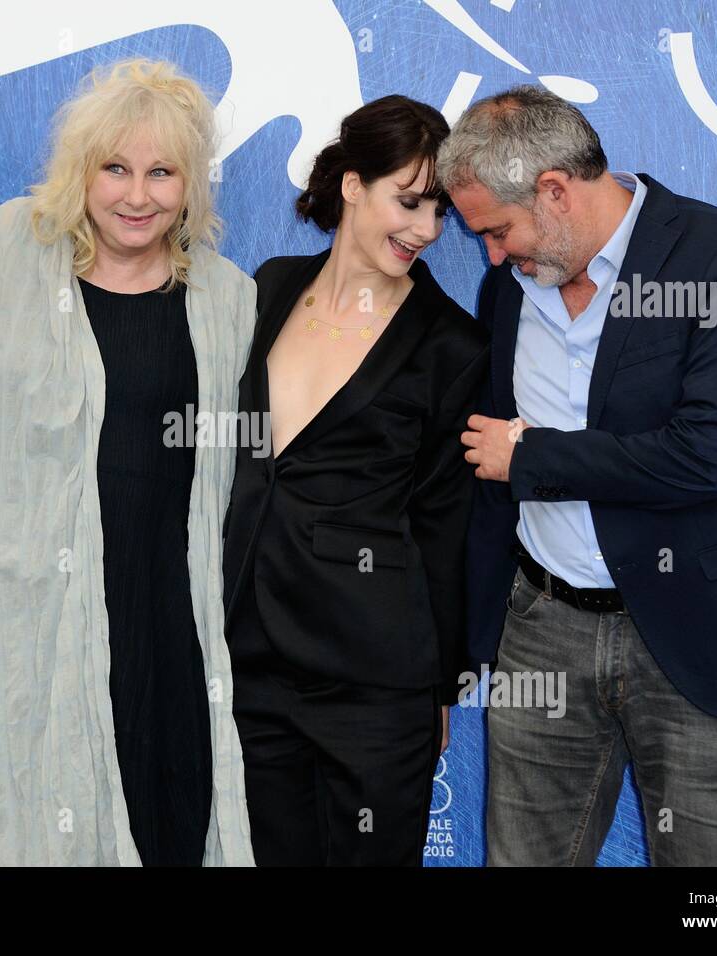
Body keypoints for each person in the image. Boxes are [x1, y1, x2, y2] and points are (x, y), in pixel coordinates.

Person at [445, 85, 717, 866]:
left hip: (700, 630)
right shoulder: (509, 288)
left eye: (497, 231)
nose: (491, 256)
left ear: (555, 190)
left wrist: (531, 456)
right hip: (543, 632)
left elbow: (710, 454)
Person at [0, 59, 256, 865]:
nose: (136, 195)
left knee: (165, 817)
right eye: (114, 168)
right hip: (25, 612)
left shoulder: (226, 298)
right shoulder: (4, 252)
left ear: (191, 185)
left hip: (167, 614)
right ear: (78, 170)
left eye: (162, 172)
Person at [222, 95, 490, 866]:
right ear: (349, 184)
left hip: (375, 677)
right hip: (253, 664)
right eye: (408, 201)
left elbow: (446, 523)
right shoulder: (268, 288)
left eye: (440, 211)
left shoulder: (451, 344)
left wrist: (440, 685)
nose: (427, 231)